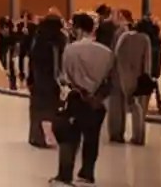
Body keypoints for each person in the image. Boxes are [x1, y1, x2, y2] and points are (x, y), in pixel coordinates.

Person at [52, 12, 114, 186]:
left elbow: (64, 76)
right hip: (96, 102)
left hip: (75, 98)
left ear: (78, 29)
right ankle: (87, 172)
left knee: (70, 137)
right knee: (92, 138)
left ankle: (65, 173)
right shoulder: (107, 52)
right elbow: (110, 79)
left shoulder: (70, 49)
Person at [109, 13, 152, 145]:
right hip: (138, 76)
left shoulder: (120, 36)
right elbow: (147, 61)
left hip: (118, 75)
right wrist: (146, 75)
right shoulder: (144, 39)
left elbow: (113, 56)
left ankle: (117, 134)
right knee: (137, 108)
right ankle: (138, 136)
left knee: (116, 106)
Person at [28, 14, 66, 148]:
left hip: (39, 79)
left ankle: (37, 136)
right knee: (52, 108)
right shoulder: (60, 39)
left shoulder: (39, 38)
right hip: (53, 80)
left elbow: (32, 60)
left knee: (38, 108)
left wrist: (30, 78)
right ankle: (51, 136)